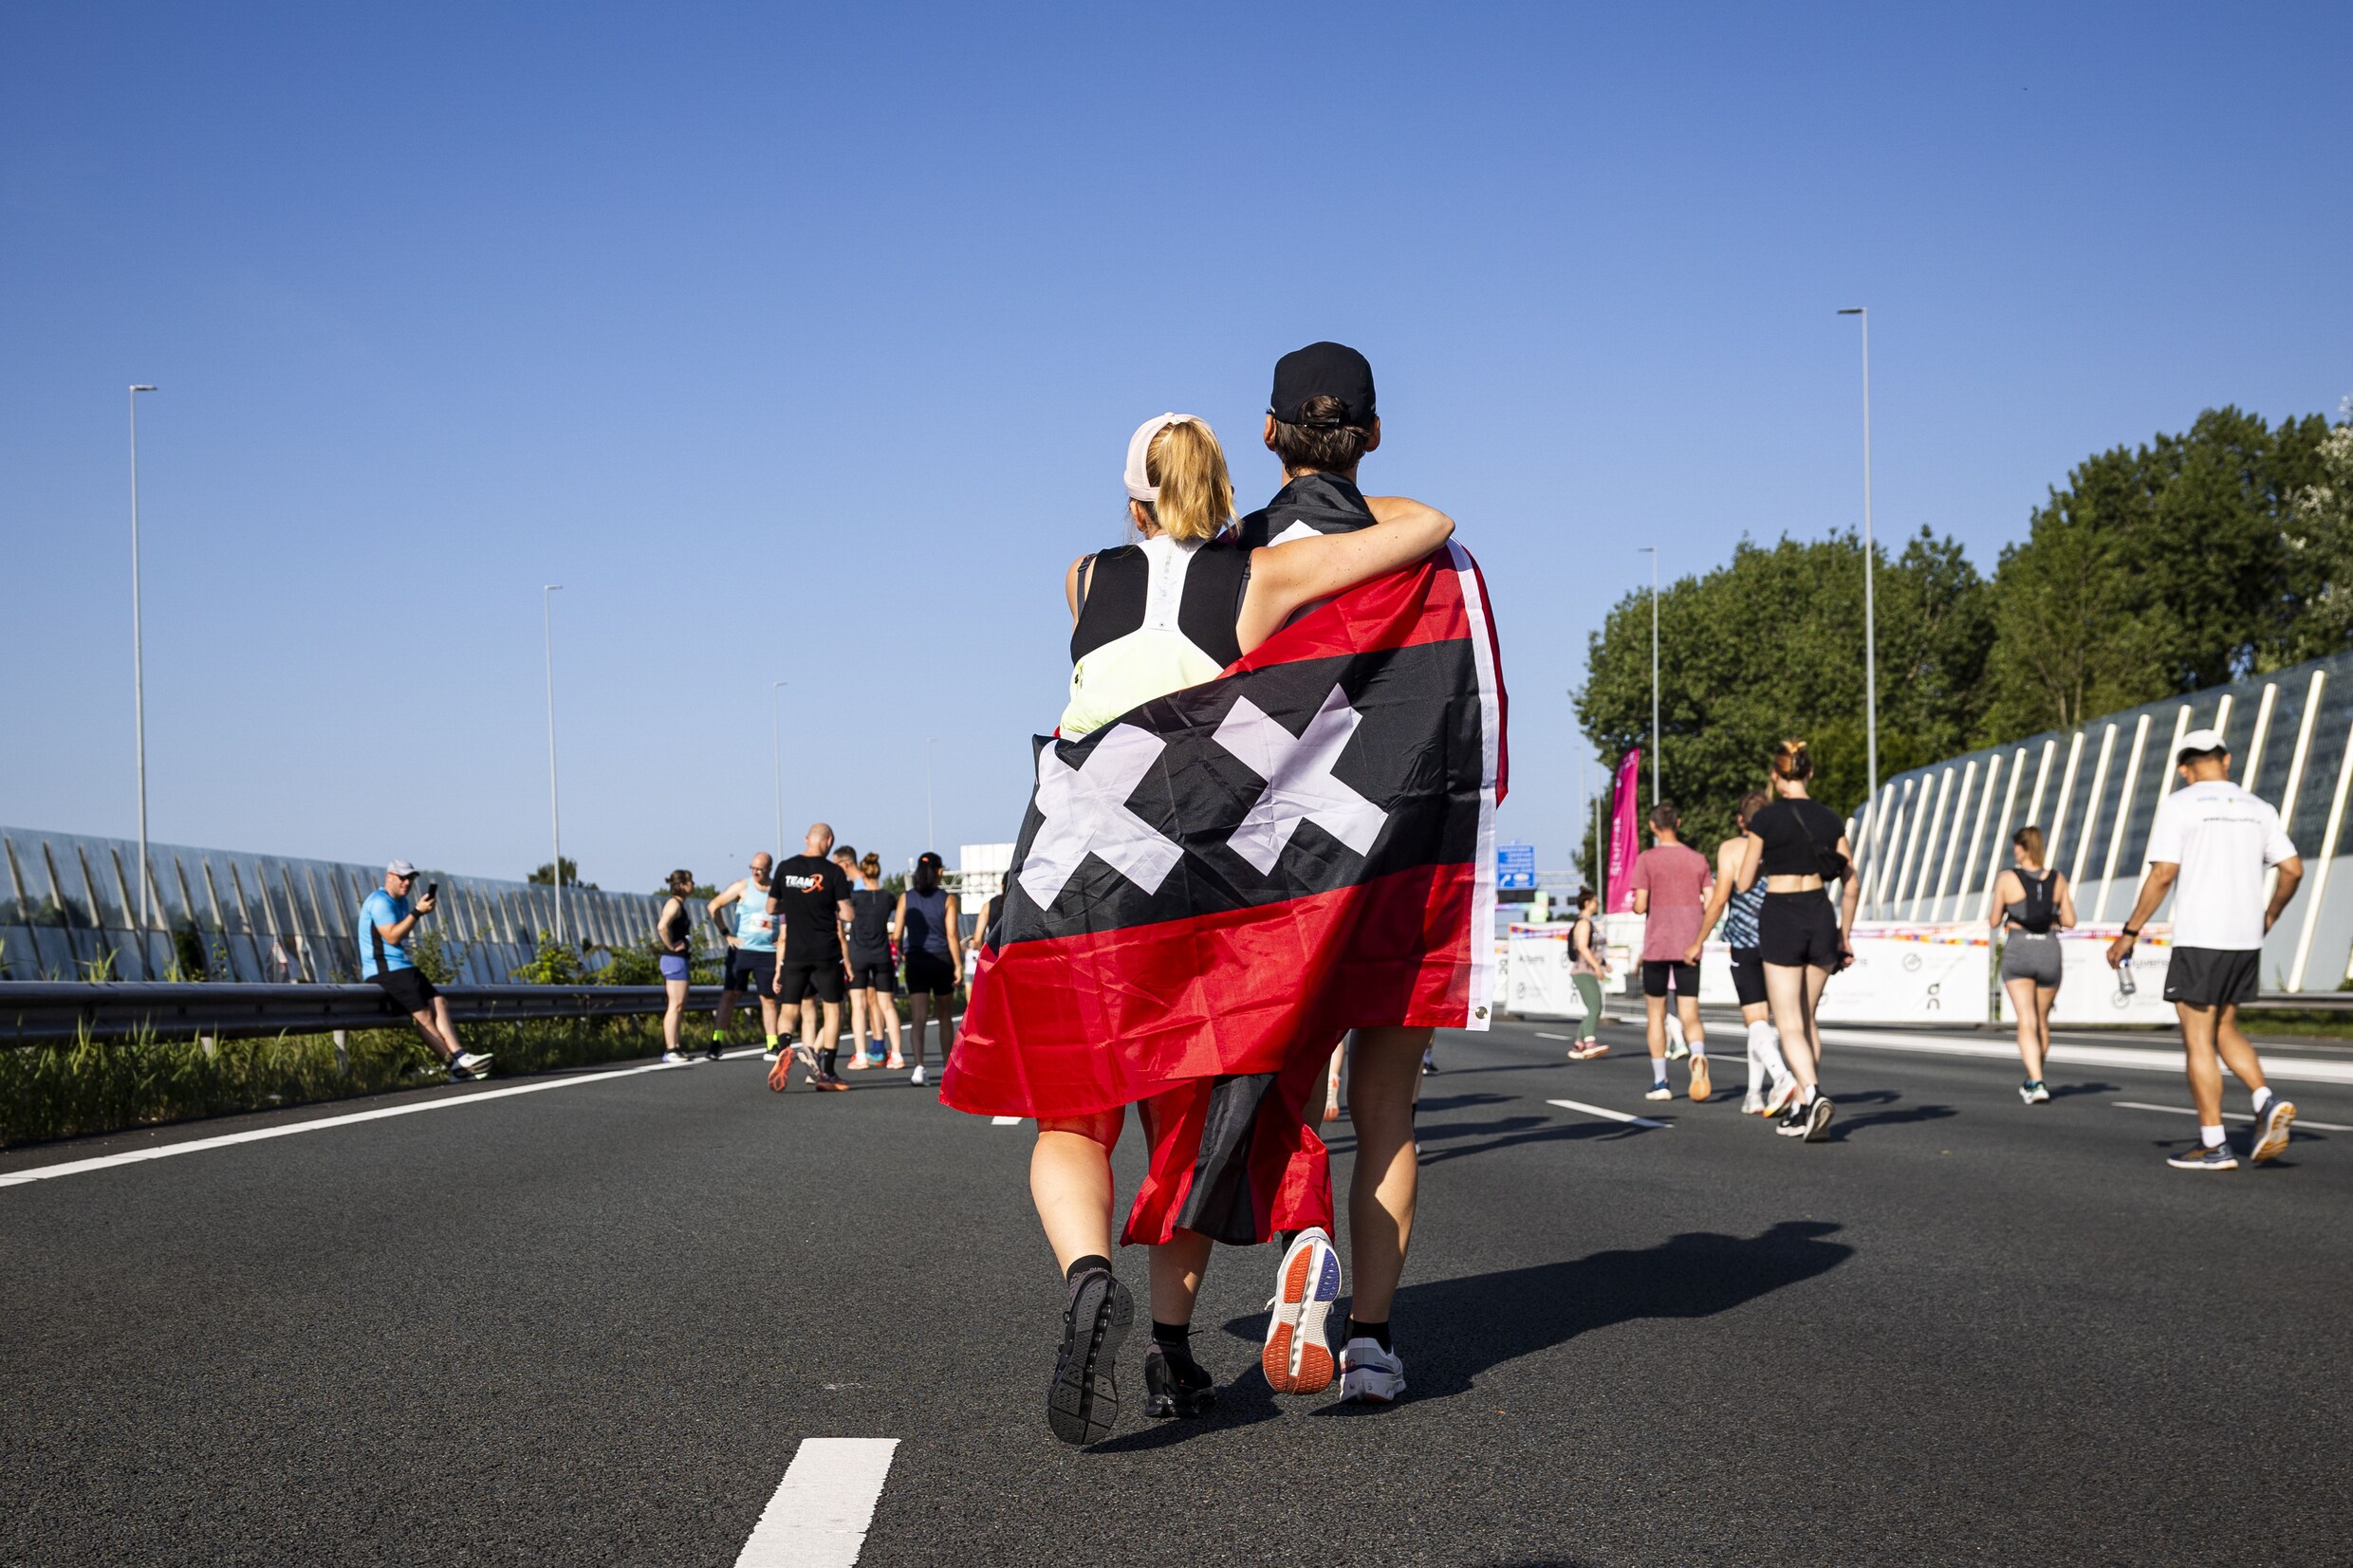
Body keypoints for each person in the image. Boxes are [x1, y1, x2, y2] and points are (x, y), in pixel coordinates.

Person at [1024, 396, 1456, 1442]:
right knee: (1186, 1126)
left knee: (1073, 1119)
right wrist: (1275, 519)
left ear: (1133, 502)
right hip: (1192, 876)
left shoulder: (1084, 576)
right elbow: (1426, 526)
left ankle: (1087, 1273)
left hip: (1069, 867)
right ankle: (1173, 1346)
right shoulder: (1260, 577)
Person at [2106, 728, 2302, 1171]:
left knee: (2197, 1039)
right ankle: (2264, 1098)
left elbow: (2163, 874)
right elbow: (2292, 869)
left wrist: (2130, 932)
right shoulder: (2259, 808)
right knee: (2224, 1028)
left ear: (2183, 768)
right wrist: (2269, 916)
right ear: (2226, 760)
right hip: (2244, 939)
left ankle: (2214, 1145)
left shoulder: (2180, 804)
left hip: (2200, 938)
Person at [1737, 741, 1861, 1143]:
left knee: (1788, 1021)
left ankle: (1812, 1094)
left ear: (1775, 776)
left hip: (1782, 915)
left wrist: (1767, 858)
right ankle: (1804, 1110)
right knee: (1808, 1018)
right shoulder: (1829, 818)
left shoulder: (1766, 819)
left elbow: (1744, 881)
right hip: (1820, 913)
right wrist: (1844, 935)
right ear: (1810, 773)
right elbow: (1851, 882)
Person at [1689, 791, 1795, 1116]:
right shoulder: (1782, 845)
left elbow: (1720, 900)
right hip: (1781, 939)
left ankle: (1782, 1077)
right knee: (1764, 1021)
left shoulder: (1731, 849)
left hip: (1745, 942)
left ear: (1740, 820)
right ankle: (1753, 1094)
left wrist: (1698, 940)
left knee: (1755, 1018)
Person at [357, 859, 491, 1081]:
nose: (407, 883)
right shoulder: (380, 902)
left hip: (400, 965)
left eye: (410, 878)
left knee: (439, 1002)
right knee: (423, 1015)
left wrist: (416, 912)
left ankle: (460, 1057)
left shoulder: (400, 901)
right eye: (402, 878)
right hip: (385, 969)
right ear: (389, 877)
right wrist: (417, 912)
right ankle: (454, 1063)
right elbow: (392, 936)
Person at [1630, 802, 1713, 1102]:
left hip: (1657, 947)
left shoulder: (1647, 860)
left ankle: (1661, 1081)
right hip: (1689, 946)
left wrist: (1640, 903)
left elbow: (1640, 904)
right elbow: (1711, 902)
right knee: (1690, 1012)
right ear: (1678, 823)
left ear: (1652, 826)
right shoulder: (1698, 859)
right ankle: (1697, 1054)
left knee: (1656, 1014)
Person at [767, 823, 856, 1092]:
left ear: (807, 839)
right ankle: (827, 1073)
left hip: (795, 951)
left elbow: (771, 907)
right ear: (829, 841)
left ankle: (784, 1048)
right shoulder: (833, 872)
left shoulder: (785, 868)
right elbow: (848, 914)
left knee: (789, 1009)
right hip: (825, 952)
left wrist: (795, 904)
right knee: (833, 1010)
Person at [1991, 825, 2075, 1104]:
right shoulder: (2058, 878)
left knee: (2026, 1021)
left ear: (2021, 848)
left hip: (2020, 949)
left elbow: (1993, 920)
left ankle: (2036, 1082)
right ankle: (2035, 1078)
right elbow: (2070, 920)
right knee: (2041, 1021)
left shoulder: (2007, 878)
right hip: (2048, 949)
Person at [895, 852, 963, 1089]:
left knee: (918, 1017)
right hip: (941, 959)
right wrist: (958, 965)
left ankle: (919, 1067)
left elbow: (896, 934)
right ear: (939, 872)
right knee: (944, 1016)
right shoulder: (947, 899)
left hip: (916, 960)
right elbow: (952, 935)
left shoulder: (906, 898)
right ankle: (946, 1068)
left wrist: (903, 952)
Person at [708, 853, 783, 1061]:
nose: (755, 872)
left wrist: (782, 939)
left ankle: (772, 1044)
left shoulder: (778, 889)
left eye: (760, 869)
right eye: (753, 868)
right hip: (742, 950)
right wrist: (726, 934)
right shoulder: (743, 886)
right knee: (731, 994)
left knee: (768, 999)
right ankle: (716, 1042)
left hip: (767, 952)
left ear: (769, 869)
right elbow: (713, 906)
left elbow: (789, 916)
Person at [847, 852, 903, 1071]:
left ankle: (861, 1056)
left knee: (858, 1006)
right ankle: (896, 1055)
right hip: (881, 955)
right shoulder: (888, 897)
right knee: (887, 1006)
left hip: (859, 955)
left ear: (862, 873)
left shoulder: (854, 898)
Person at [831, 845, 872, 1066]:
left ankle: (867, 1050)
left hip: (858, 949)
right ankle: (876, 1048)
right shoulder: (863, 884)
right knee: (870, 1001)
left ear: (845, 863)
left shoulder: (859, 887)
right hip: (870, 948)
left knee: (864, 1001)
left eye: (835, 864)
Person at [656, 869, 698, 1063]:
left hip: (678, 960)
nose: (693, 885)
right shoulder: (674, 904)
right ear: (681, 885)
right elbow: (662, 926)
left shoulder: (679, 903)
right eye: (691, 881)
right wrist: (671, 946)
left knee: (679, 1005)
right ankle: (671, 1049)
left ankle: (676, 1047)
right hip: (674, 959)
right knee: (676, 1004)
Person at [1566, 886, 1612, 1061]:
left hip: (1587, 969)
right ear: (1586, 903)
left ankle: (1578, 1045)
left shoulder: (1588, 923)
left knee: (1593, 1008)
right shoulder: (1584, 923)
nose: (1597, 904)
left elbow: (1592, 949)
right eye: (1594, 901)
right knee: (1595, 1007)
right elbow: (1583, 948)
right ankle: (1590, 1043)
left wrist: (1603, 963)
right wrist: (1597, 967)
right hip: (1584, 970)